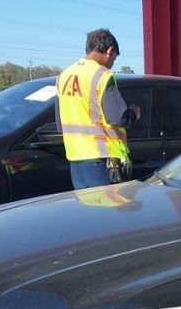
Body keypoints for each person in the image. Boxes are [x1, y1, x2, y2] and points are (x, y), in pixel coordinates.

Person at [56, 28, 141, 190]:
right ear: (110, 51)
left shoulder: (64, 75)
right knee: (108, 211)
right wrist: (134, 113)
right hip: (101, 160)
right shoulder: (102, 75)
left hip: (75, 159)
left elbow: (60, 123)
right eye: (114, 58)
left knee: (89, 212)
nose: (112, 63)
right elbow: (119, 118)